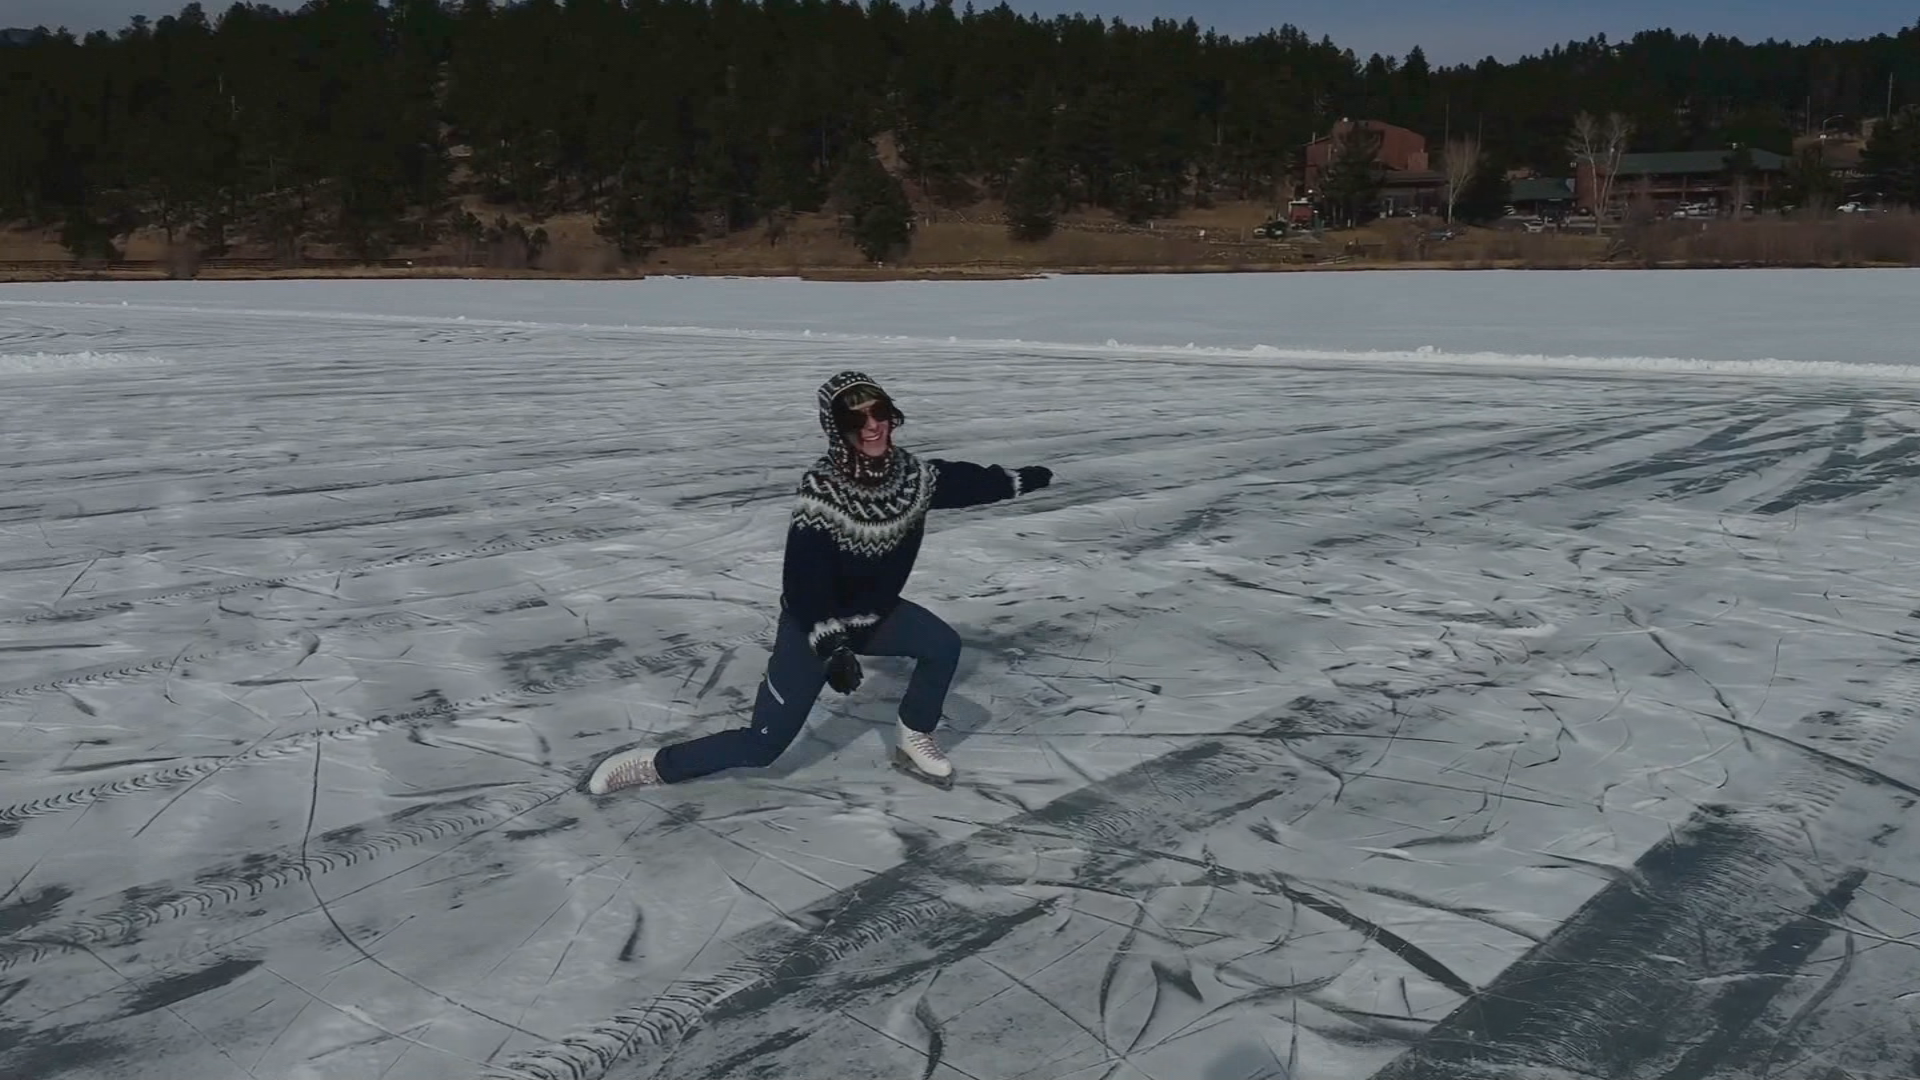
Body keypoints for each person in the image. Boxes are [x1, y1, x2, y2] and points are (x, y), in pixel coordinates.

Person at [587, 369, 1053, 794]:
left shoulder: (915, 478)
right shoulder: (824, 489)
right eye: (857, 420)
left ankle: (914, 733)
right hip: (812, 627)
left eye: (880, 413)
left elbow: (970, 483)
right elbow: (805, 583)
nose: (872, 427)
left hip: (877, 616)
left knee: (943, 645)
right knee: (763, 746)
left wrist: (1020, 480)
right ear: (837, 430)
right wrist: (832, 648)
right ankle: (655, 764)